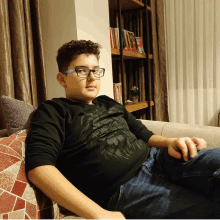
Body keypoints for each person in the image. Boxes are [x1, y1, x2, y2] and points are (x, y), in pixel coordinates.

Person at [25, 39, 220, 219]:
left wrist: (171, 142)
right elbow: (39, 168)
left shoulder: (108, 102)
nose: (92, 78)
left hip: (158, 159)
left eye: (96, 70)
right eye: (82, 71)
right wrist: (99, 214)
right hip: (123, 188)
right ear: (62, 79)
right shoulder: (53, 110)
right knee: (206, 210)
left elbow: (144, 134)